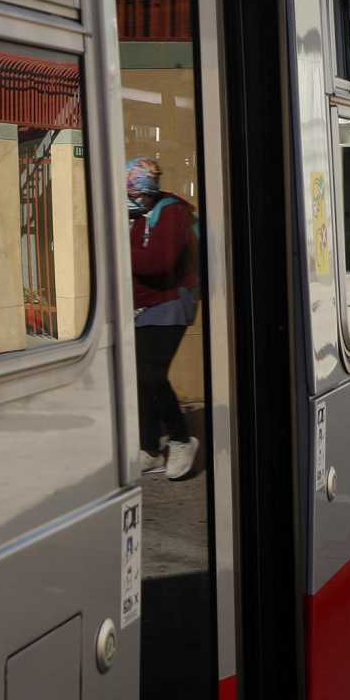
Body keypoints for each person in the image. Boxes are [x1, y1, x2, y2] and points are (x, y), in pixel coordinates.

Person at [128, 157, 202, 480]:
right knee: (141, 379)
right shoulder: (140, 217)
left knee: (152, 374)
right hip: (145, 308)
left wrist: (121, 246)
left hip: (171, 305)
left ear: (148, 192)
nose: (134, 200)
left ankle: (182, 439)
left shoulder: (171, 214)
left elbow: (160, 263)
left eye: (137, 195)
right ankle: (149, 449)